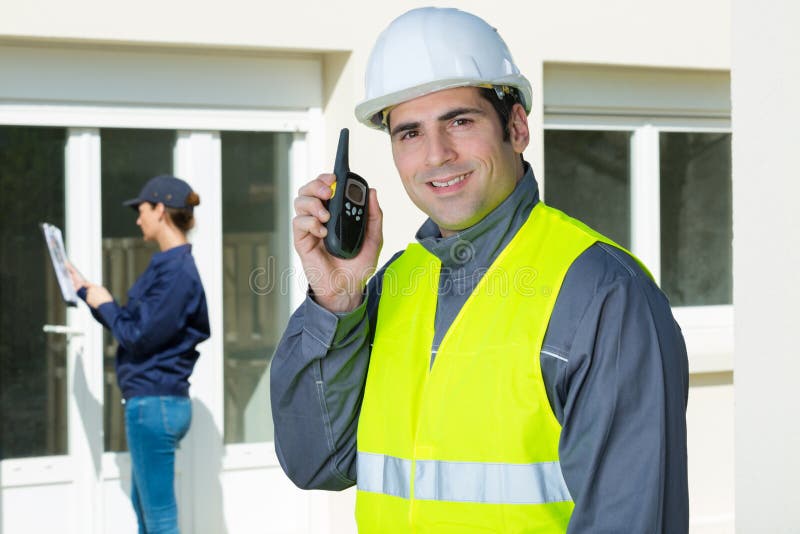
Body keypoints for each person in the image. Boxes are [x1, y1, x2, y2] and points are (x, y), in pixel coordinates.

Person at [271, 7, 689, 533]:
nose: (437, 156)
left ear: (516, 127)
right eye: (409, 134)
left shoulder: (604, 292)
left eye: (460, 122)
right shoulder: (394, 283)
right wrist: (336, 299)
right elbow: (316, 460)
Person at [68, 174, 210, 534]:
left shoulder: (178, 272)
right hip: (152, 402)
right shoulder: (167, 265)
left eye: (142, 209)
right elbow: (135, 324)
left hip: (155, 403)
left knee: (160, 518)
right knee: (146, 510)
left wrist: (106, 303)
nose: (137, 218)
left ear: (160, 209)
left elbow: (137, 335)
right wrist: (89, 294)